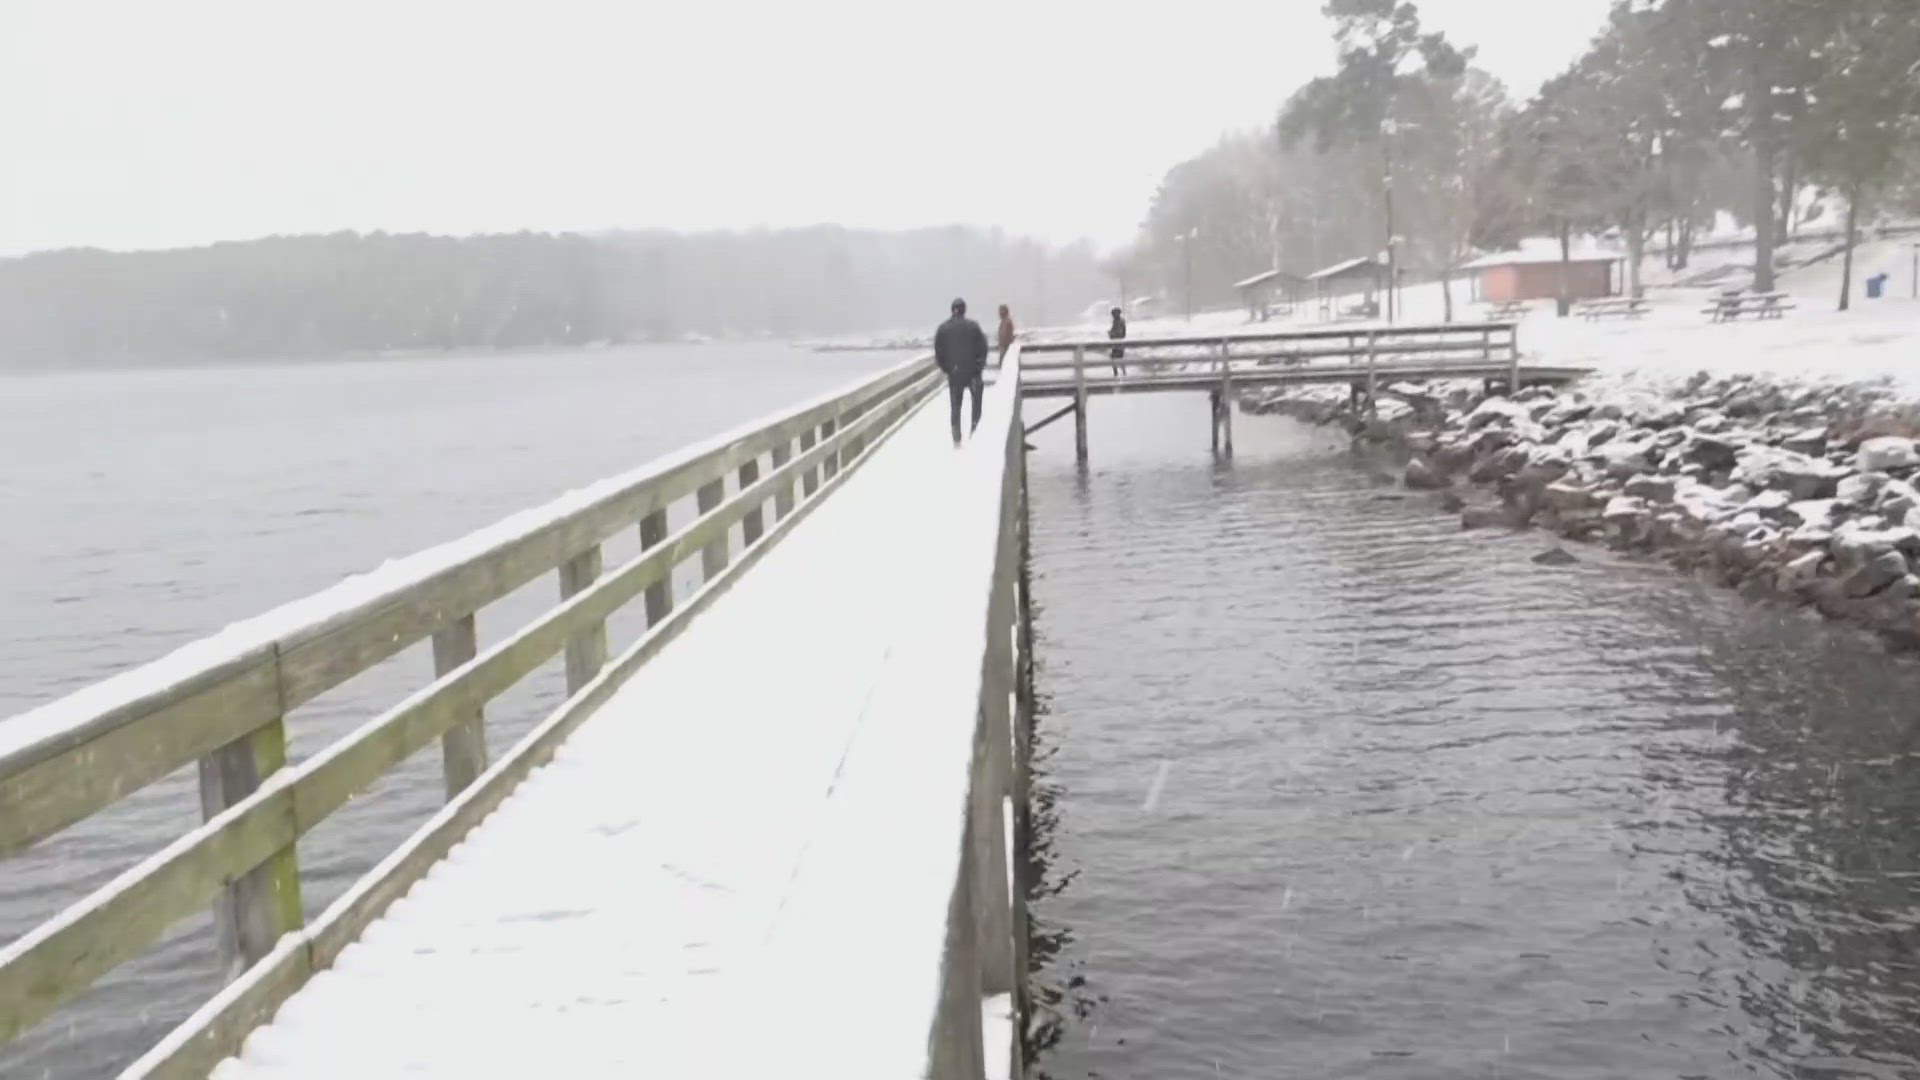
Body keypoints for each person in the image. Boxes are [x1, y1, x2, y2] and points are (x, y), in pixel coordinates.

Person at [933, 297, 989, 444]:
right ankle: (974, 431)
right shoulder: (973, 326)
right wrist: (978, 367)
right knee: (976, 403)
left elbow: (939, 353)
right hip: (972, 373)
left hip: (955, 373)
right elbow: (983, 348)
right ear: (964, 309)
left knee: (955, 406)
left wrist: (947, 369)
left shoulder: (943, 329)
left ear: (952, 310)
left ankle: (956, 438)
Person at [1108, 306, 1127, 375]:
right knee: (1117, 359)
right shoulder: (1118, 321)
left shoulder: (1119, 321)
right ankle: (1120, 373)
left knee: (1116, 359)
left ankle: (1118, 373)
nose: (1113, 316)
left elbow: (1119, 333)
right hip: (1117, 344)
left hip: (1118, 344)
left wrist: (1111, 333)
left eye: (1113, 314)